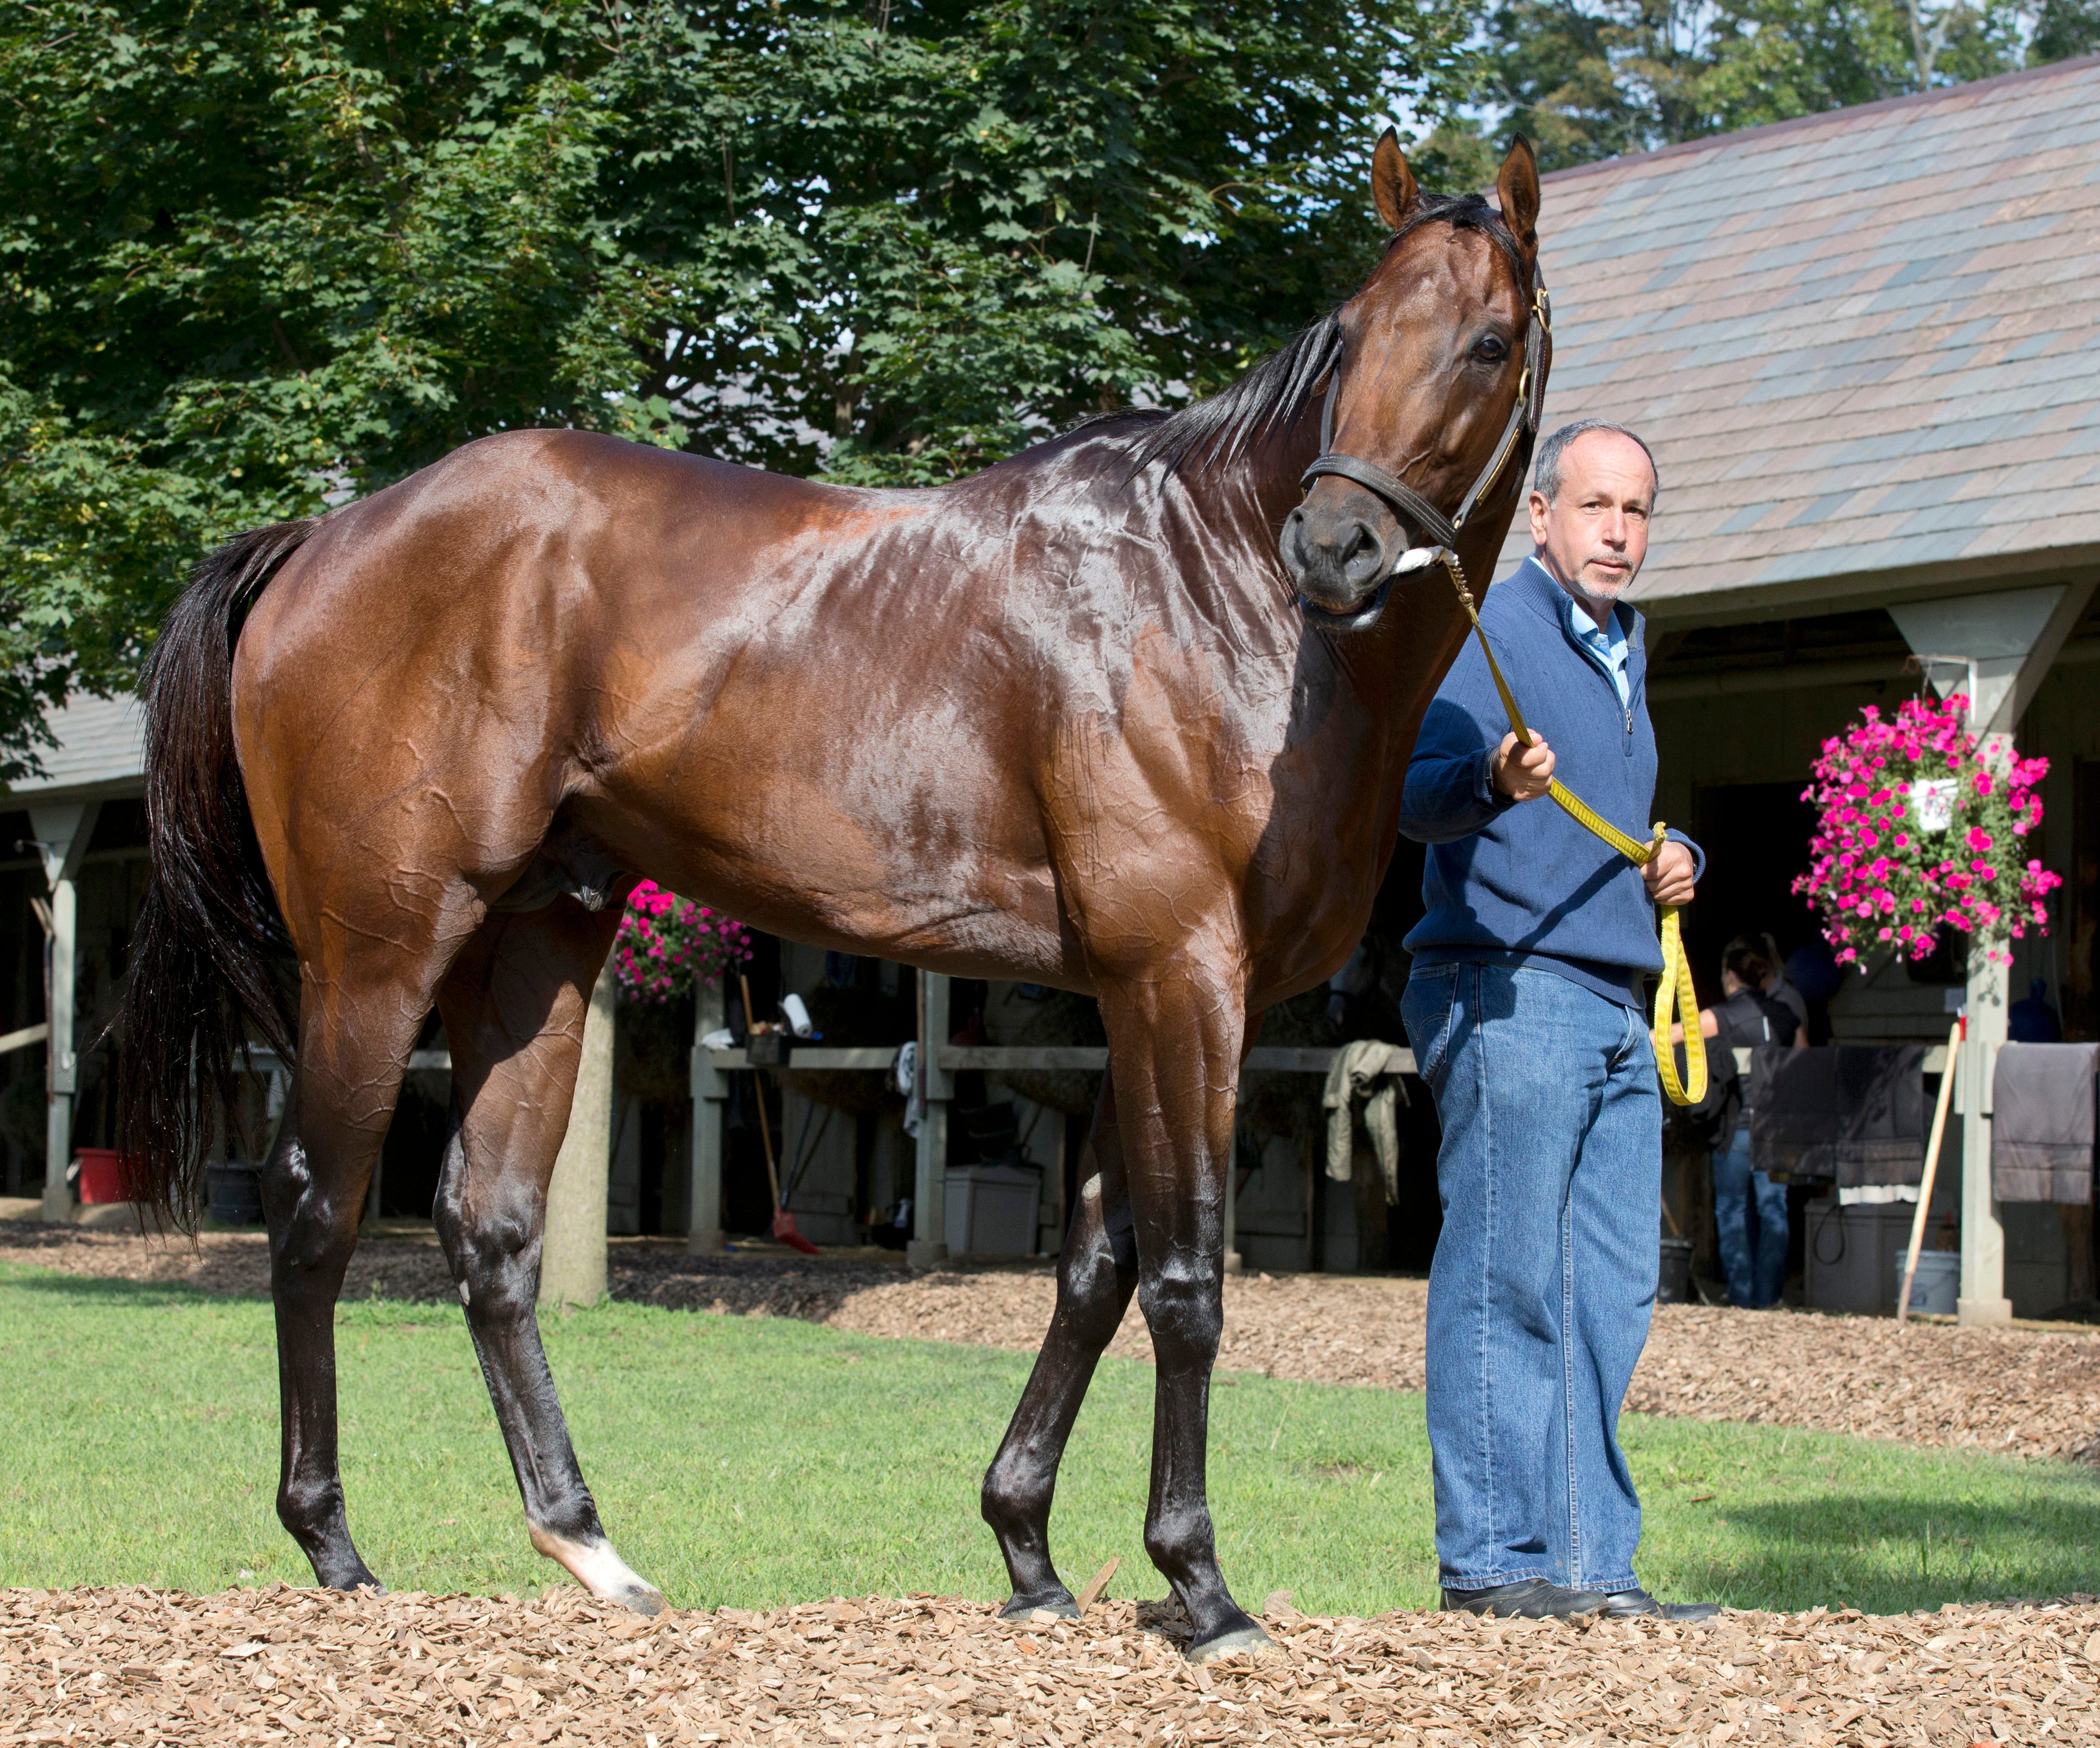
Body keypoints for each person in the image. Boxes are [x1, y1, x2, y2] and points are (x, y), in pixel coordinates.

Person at [1398, 419, 1720, 1624]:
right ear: (1539, 515)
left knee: (1608, 1292)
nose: (1618, 532)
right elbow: (1412, 798)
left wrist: (1677, 854)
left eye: (1635, 511)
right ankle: (1494, 1564)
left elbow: (1616, 819)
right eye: (1595, 506)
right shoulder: (1488, 633)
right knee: (1507, 1278)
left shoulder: (1625, 643)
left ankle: (1588, 1568)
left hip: (1615, 1000)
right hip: (1508, 983)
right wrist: (1490, 779)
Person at [1680, 938, 1805, 1309]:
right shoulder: (1787, 1016)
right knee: (1774, 1209)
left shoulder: (1723, 1016)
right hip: (1777, 1128)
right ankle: (1768, 1297)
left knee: (1732, 1209)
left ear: (1729, 976)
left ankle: (1740, 1294)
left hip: (1736, 1127)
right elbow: (1805, 1060)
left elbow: (1664, 1037)